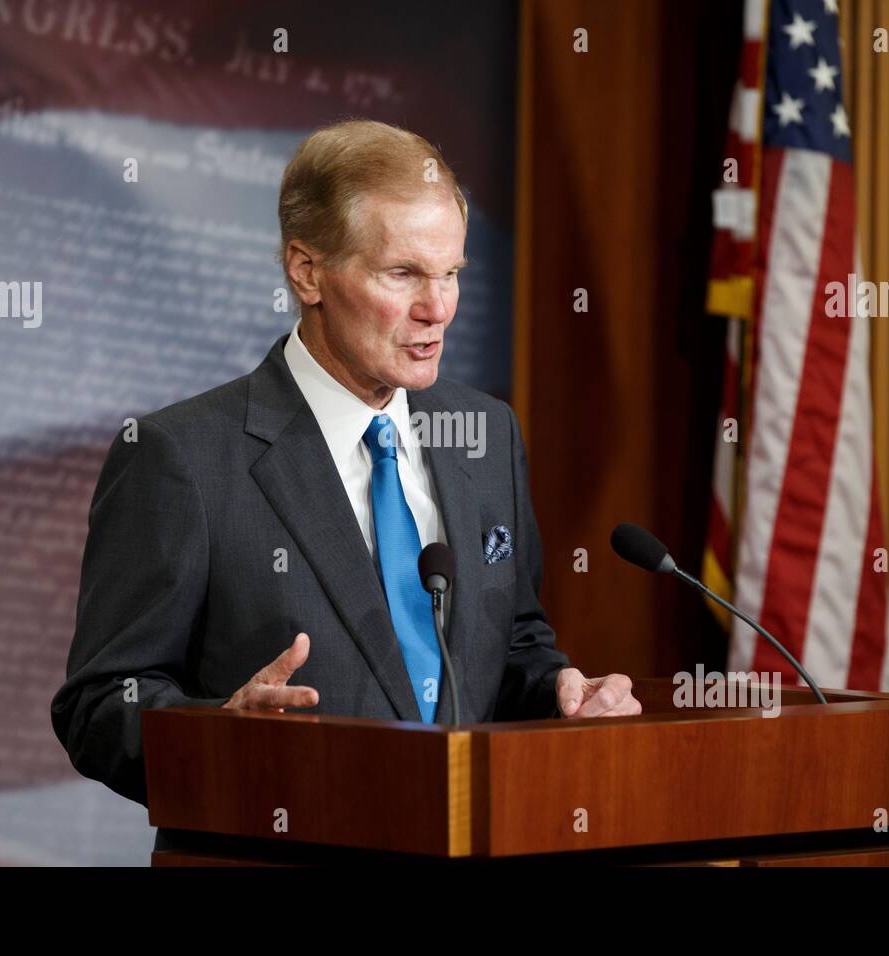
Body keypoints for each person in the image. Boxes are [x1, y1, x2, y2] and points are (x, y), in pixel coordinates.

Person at [52, 119, 640, 811]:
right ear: (307, 272)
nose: (438, 308)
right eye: (404, 274)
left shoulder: (484, 433)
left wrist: (563, 690)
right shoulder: (183, 458)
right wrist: (215, 737)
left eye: (451, 273)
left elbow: (513, 642)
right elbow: (99, 704)